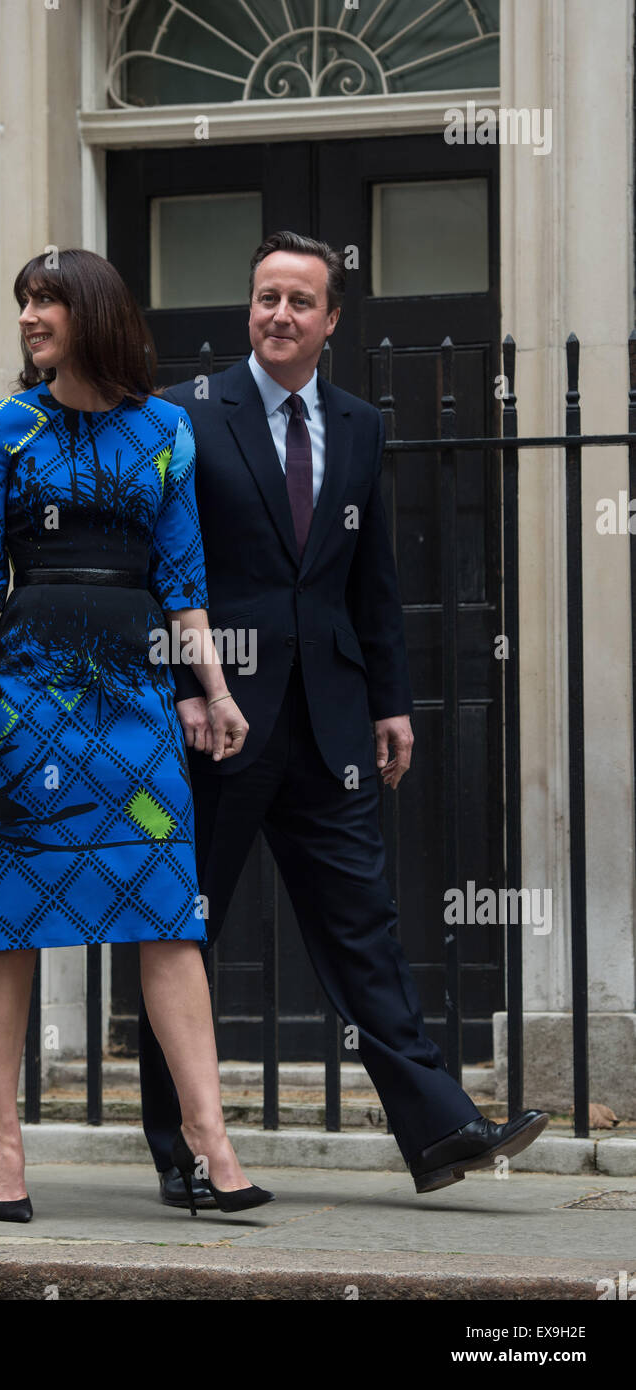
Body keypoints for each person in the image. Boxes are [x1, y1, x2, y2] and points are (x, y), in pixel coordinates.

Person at [140, 231, 549, 1200]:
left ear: (331, 319)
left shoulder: (360, 426)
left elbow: (374, 580)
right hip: (220, 722)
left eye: (298, 301)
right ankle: (184, 1152)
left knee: (364, 925)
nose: (278, 314)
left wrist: (391, 702)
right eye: (264, 297)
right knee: (178, 932)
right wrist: (186, 687)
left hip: (328, 723)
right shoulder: (185, 416)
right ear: (249, 308)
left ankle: (442, 1131)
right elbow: (158, 569)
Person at [0, 248, 274, 1221]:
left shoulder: (165, 431)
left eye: (46, 300)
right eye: (23, 303)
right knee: (4, 917)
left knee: (170, 908)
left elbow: (184, 582)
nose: (29, 318)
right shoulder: (5, 429)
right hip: (30, 697)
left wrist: (212, 690)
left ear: (93, 312)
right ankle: (1, 1139)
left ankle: (211, 1140)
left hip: (133, 702)